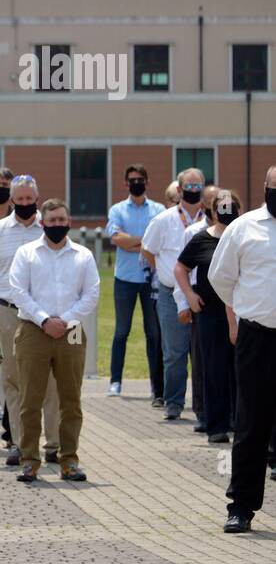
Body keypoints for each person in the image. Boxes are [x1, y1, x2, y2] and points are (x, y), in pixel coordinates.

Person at [7, 199, 101, 482]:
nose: (57, 225)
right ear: (42, 223)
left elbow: (92, 294)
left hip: (71, 330)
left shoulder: (83, 255)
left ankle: (69, 460)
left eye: (62, 220)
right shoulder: (26, 253)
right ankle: (29, 460)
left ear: (69, 222)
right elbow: (18, 290)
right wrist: (46, 320)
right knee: (30, 398)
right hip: (34, 329)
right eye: (52, 220)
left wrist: (66, 320)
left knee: (70, 399)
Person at [208, 166, 276, 533]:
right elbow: (220, 278)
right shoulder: (244, 228)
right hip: (258, 337)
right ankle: (241, 507)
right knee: (251, 423)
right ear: (265, 189)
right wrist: (247, 307)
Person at [0, 174, 61, 465]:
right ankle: (18, 441)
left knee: (50, 379)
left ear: (37, 199)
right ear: (12, 200)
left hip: (45, 315)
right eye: (21, 199)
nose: (25, 204)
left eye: (30, 199)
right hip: (8, 311)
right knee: (11, 379)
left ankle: (53, 444)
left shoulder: (51, 228)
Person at [141, 168, 207, 421]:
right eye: (188, 186)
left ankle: (203, 406)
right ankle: (174, 402)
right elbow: (148, 250)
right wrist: (166, 272)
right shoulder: (163, 220)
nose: (192, 190)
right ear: (178, 190)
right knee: (174, 351)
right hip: (170, 293)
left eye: (197, 186)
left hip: (202, 293)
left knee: (201, 352)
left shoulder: (209, 219)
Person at [175, 191, 241, 443]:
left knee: (240, 369)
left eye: (231, 206)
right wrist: (189, 295)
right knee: (213, 368)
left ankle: (239, 421)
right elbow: (180, 267)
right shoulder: (201, 238)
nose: (227, 210)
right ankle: (216, 425)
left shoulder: (243, 237)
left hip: (241, 313)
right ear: (212, 211)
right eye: (222, 206)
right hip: (210, 314)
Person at [105, 164, 165, 403]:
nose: (136, 183)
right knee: (121, 332)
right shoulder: (118, 210)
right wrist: (145, 243)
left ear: (147, 182)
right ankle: (115, 382)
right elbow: (116, 239)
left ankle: (155, 385)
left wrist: (134, 242)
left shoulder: (159, 210)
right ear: (125, 183)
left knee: (154, 333)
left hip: (152, 280)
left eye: (140, 179)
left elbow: (158, 243)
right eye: (132, 179)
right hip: (125, 279)